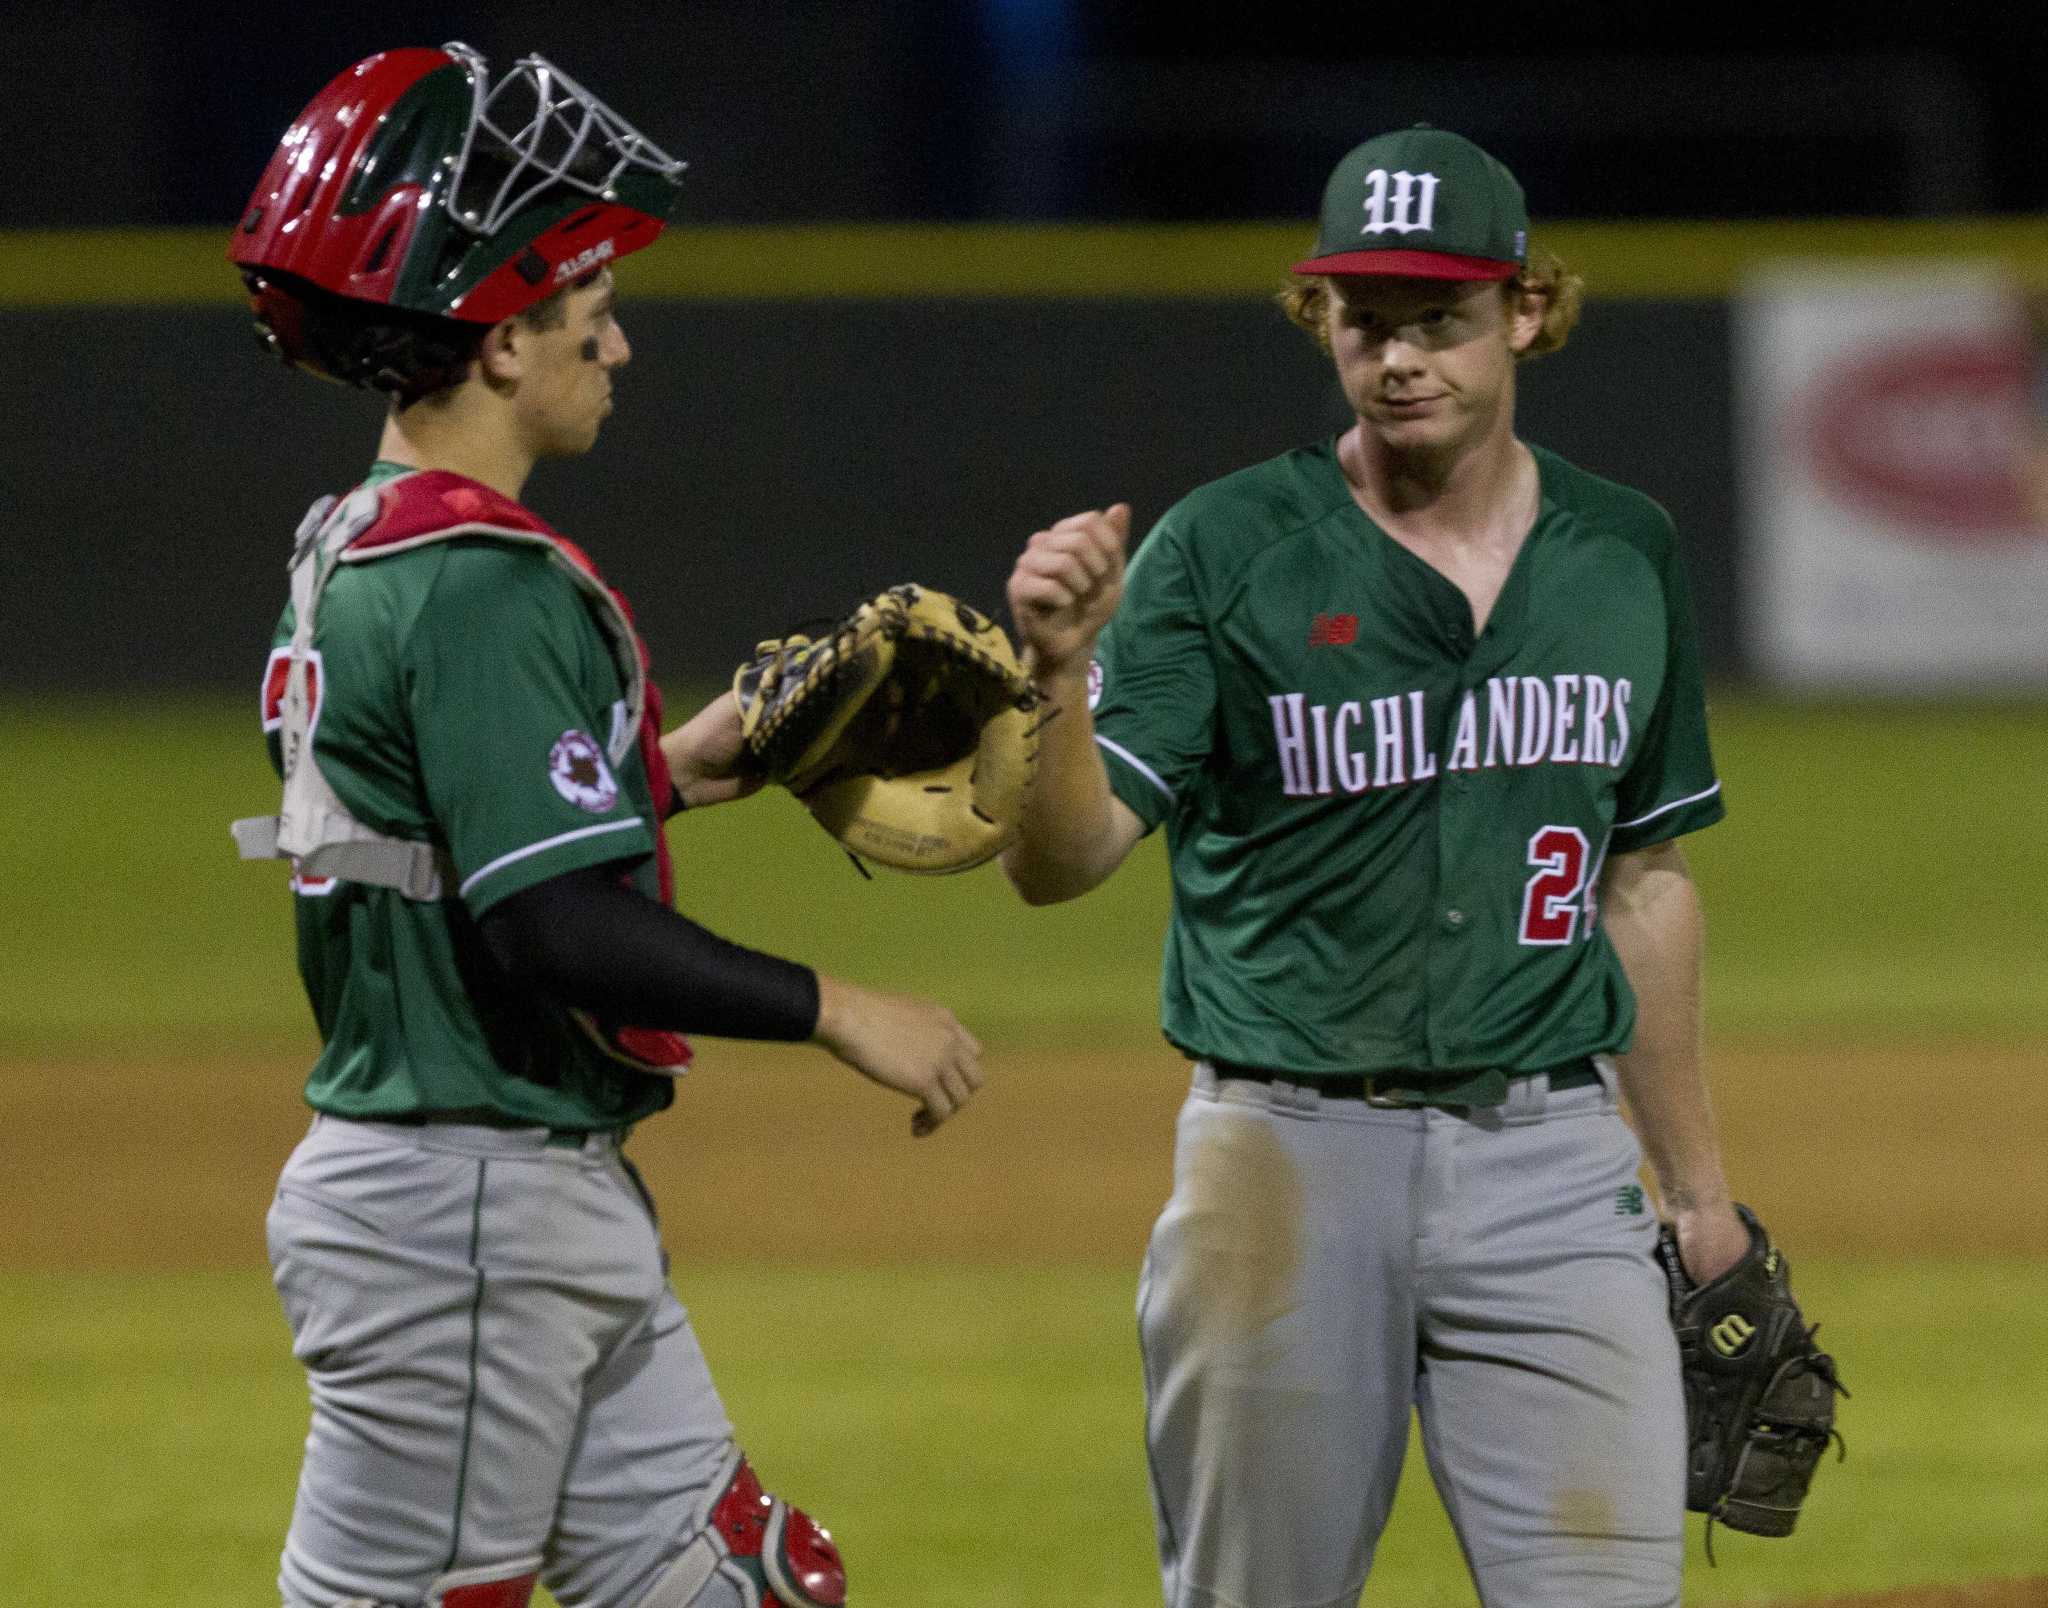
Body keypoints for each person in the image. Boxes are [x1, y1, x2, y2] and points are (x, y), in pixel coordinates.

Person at [229, 42, 981, 1608]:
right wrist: (841, 1008)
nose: (618, 344)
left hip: (511, 1196)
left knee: (741, 1587)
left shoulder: (361, 542)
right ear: (503, 341)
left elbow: (444, 827)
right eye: (591, 308)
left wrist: (674, 768)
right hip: (463, 1203)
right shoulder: (481, 583)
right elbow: (552, 925)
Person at [1001, 124, 1747, 1608]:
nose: (1400, 358)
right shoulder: (1223, 549)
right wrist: (1054, 678)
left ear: (1525, 310)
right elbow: (1063, 859)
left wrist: (1701, 1193)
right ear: (1320, 316)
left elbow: (1643, 880)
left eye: (1440, 318)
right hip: (1281, 1162)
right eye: (1366, 319)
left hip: (1554, 1164)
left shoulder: (1622, 552)